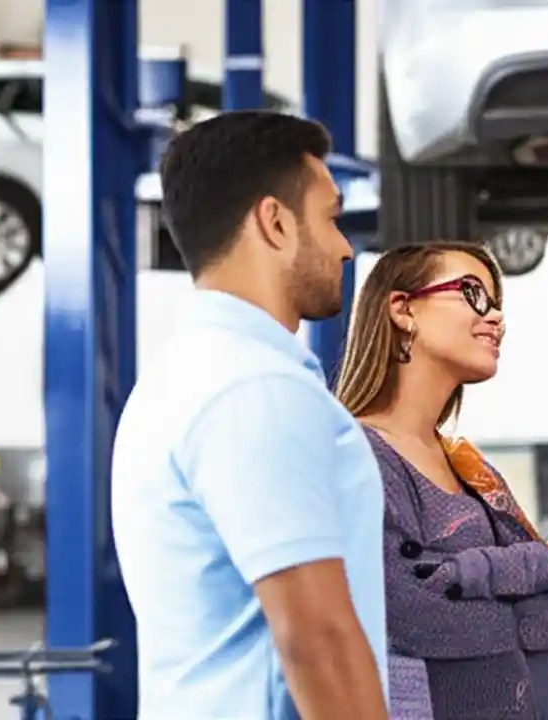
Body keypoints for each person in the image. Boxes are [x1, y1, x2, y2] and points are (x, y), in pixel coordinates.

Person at [110, 111, 388, 720]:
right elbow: (317, 639)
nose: (346, 248)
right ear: (275, 222)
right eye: (332, 219)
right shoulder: (256, 388)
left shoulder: (181, 376)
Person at [334, 241, 548, 720]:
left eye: (497, 304)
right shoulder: (356, 454)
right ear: (403, 309)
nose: (496, 317)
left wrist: (475, 578)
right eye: (473, 294)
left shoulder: (469, 466)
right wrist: (546, 562)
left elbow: (542, 621)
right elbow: (410, 609)